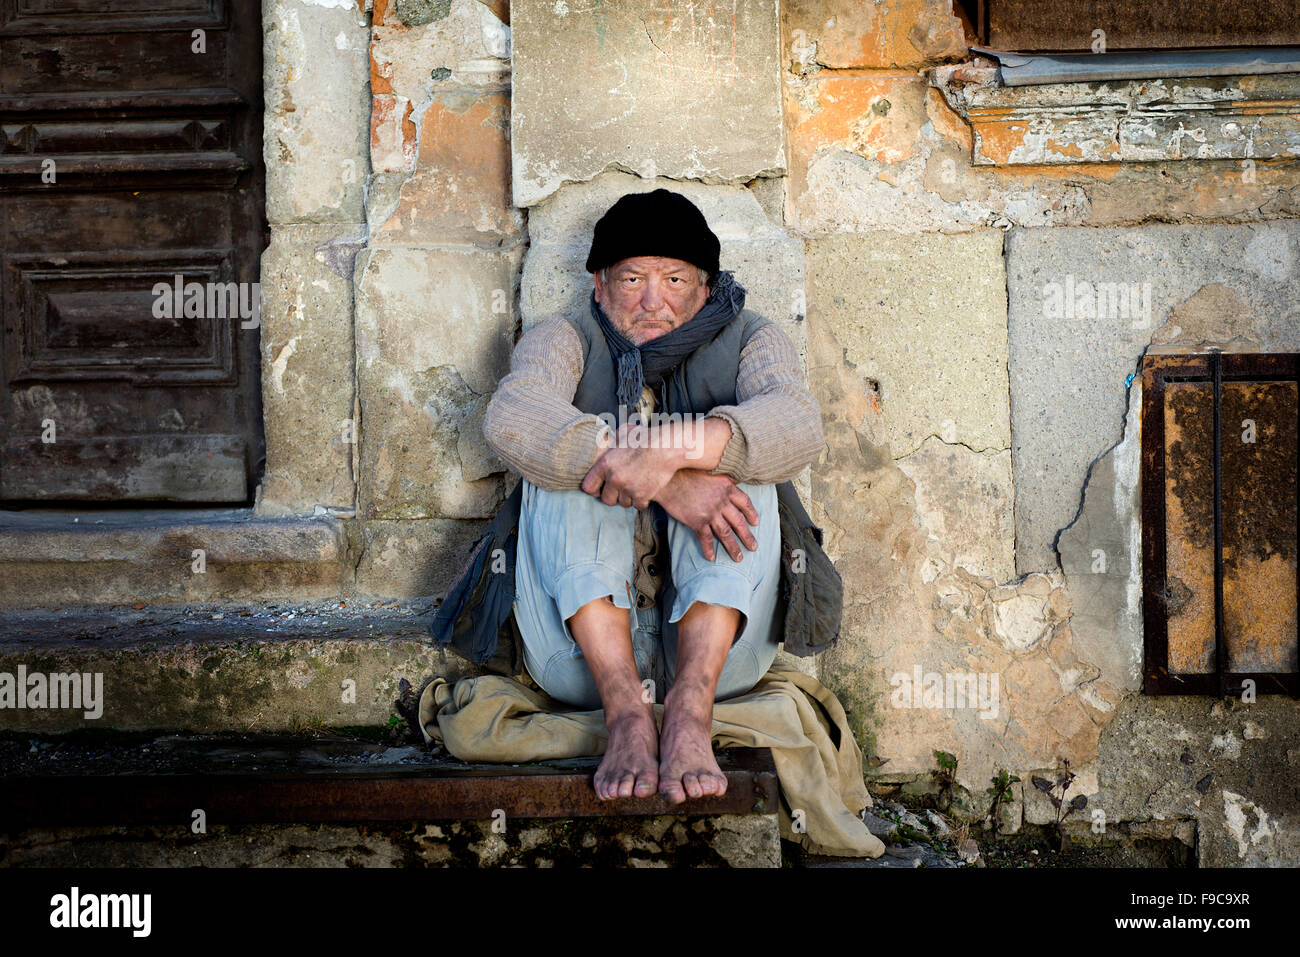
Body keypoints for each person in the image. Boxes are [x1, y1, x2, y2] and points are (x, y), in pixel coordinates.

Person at [480, 188, 824, 805]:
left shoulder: (753, 337)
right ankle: (628, 720)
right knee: (570, 458)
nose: (652, 301)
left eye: (673, 278)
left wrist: (674, 452)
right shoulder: (564, 336)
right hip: (577, 659)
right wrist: (668, 482)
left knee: (746, 458)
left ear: (705, 285)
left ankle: (689, 717)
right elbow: (513, 417)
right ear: (599, 284)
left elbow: (797, 425)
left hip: (725, 661)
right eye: (632, 278)